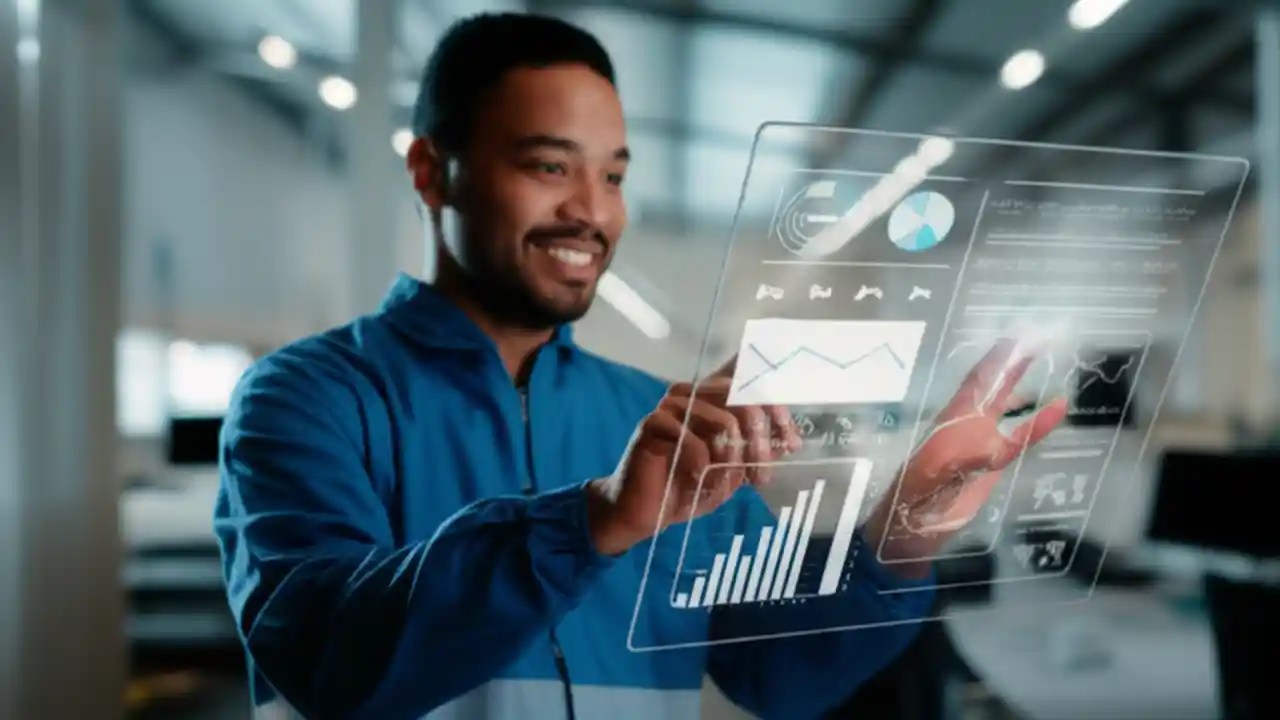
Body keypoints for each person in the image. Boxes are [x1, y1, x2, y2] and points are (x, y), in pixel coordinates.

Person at [213, 12, 1067, 720]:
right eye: (549, 166)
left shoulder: (661, 420)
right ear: (433, 172)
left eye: (613, 176)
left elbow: (776, 674)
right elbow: (324, 654)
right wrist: (594, 521)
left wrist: (900, 535)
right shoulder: (307, 398)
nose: (591, 213)